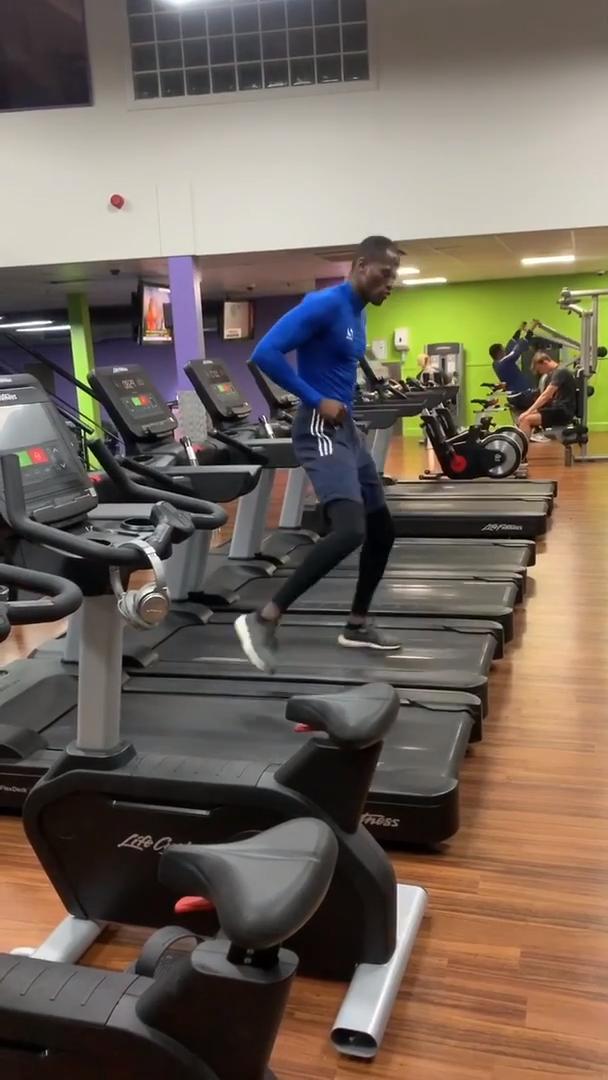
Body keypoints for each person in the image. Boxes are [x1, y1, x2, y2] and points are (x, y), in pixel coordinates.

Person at [235, 235, 401, 674]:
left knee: (382, 530)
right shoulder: (324, 304)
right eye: (386, 275)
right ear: (362, 266)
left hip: (347, 430)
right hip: (319, 426)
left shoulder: (358, 314)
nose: (391, 284)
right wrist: (314, 398)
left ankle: (357, 623)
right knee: (350, 531)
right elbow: (264, 354)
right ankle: (263, 617)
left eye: (394, 278)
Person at [517, 352, 578, 441]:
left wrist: (528, 411)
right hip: (559, 409)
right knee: (526, 418)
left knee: (526, 419)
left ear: (545, 362)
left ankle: (521, 451)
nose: (541, 372)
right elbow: (549, 397)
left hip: (563, 412)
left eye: (539, 369)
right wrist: (534, 410)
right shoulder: (557, 372)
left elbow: (546, 395)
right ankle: (522, 449)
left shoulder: (560, 372)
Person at [488, 322, 539, 413]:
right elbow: (517, 349)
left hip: (512, 397)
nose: (505, 351)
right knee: (544, 395)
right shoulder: (505, 362)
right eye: (503, 350)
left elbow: (509, 348)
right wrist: (531, 329)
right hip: (522, 397)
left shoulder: (495, 364)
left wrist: (519, 330)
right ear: (499, 353)